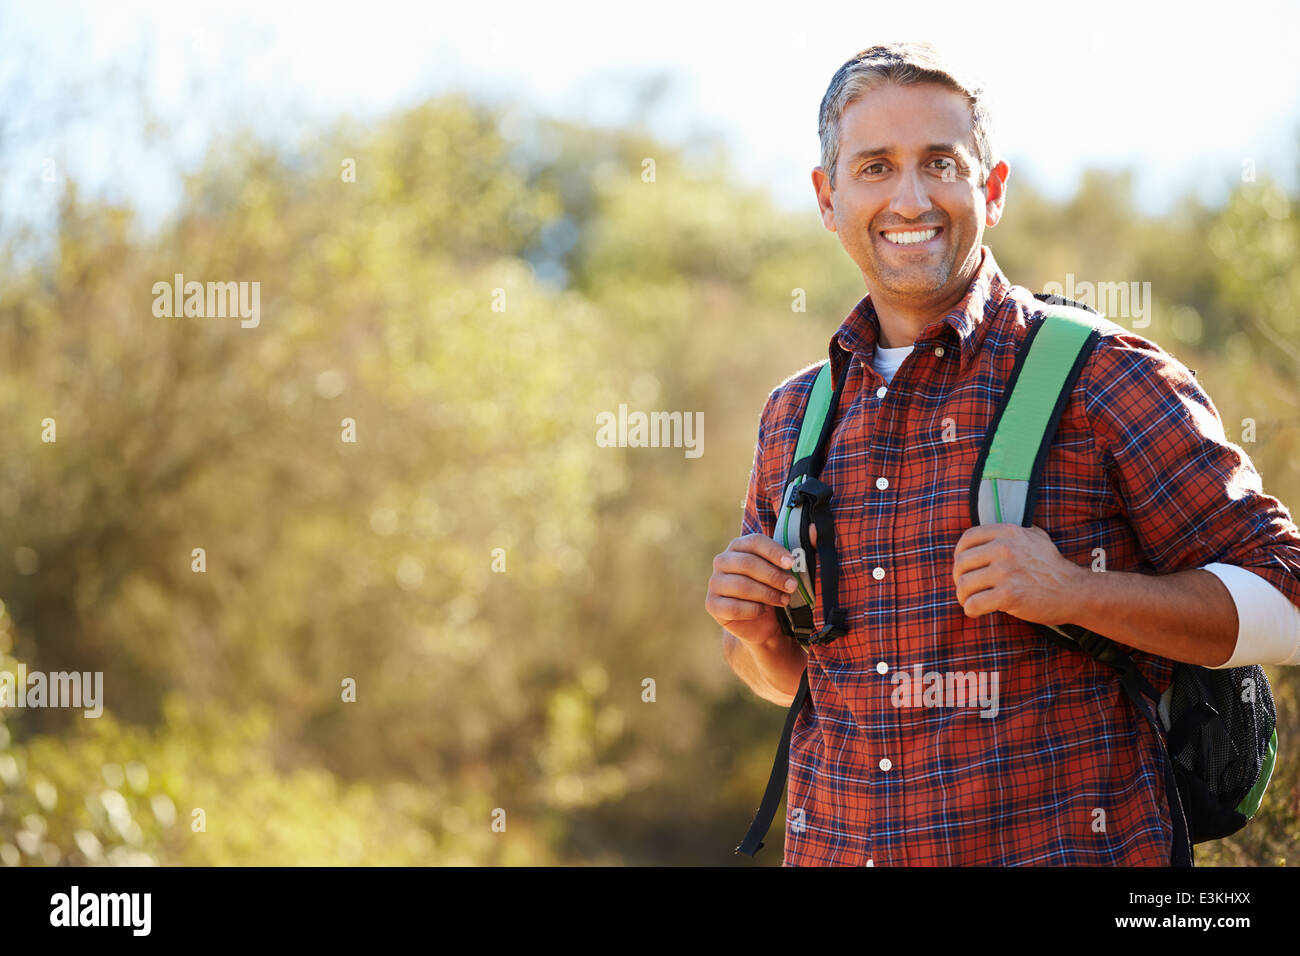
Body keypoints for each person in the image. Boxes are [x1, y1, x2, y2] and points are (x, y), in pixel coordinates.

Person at [705, 41, 1300, 866]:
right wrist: (755, 634)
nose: (909, 197)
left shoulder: (1103, 375)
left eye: (940, 163)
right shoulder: (793, 417)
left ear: (991, 188)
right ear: (827, 197)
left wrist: (1074, 592)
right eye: (874, 167)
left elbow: (1288, 597)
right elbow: (797, 685)